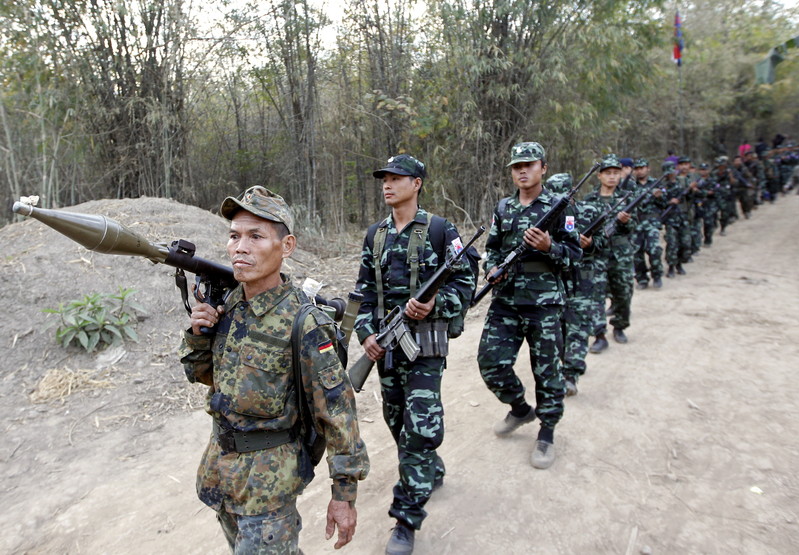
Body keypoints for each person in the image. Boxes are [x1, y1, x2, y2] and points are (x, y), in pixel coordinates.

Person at [179, 186, 369, 554]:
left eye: (256, 236)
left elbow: (338, 412)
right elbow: (207, 377)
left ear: (287, 246)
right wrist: (198, 334)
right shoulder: (230, 305)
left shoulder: (304, 322)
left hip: (268, 489)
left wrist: (344, 495)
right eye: (234, 236)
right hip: (222, 473)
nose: (240, 247)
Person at [354, 154, 474, 555]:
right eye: (384, 178)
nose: (387, 184)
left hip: (426, 347)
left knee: (419, 428)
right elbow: (363, 294)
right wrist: (366, 335)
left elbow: (466, 284)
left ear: (416, 183)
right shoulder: (375, 235)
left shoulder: (440, 230)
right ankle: (428, 467)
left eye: (396, 178)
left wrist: (437, 304)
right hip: (388, 349)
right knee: (397, 423)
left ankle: (406, 518)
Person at [476, 141, 581, 470]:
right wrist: (491, 268)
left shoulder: (560, 207)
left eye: (529, 165)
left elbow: (575, 255)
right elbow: (493, 248)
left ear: (543, 168)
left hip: (543, 302)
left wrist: (550, 246)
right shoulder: (504, 207)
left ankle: (547, 432)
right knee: (490, 362)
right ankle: (521, 409)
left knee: (547, 371)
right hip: (506, 300)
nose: (522, 171)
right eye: (517, 166)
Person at [545, 172, 603, 396]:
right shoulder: (546, 215)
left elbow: (604, 241)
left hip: (583, 277)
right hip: (555, 278)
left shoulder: (589, 211)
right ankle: (564, 362)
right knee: (558, 328)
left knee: (578, 326)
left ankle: (571, 375)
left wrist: (590, 244)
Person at [584, 154, 636, 353]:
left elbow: (634, 226)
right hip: (596, 254)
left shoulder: (627, 198)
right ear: (599, 176)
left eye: (616, 173)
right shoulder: (589, 199)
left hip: (621, 254)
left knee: (623, 293)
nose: (612, 176)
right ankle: (599, 335)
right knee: (595, 294)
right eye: (608, 173)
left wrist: (625, 221)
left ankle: (619, 326)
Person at [631, 158, 667, 290]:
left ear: (648, 169)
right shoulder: (630, 186)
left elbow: (665, 204)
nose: (639, 171)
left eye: (642, 168)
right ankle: (642, 279)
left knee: (654, 250)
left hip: (652, 223)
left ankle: (657, 276)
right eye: (637, 169)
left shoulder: (657, 184)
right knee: (637, 253)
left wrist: (660, 197)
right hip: (636, 224)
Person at [662, 161, 692, 276]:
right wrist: (669, 202)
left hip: (683, 217)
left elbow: (689, 198)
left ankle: (680, 263)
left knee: (685, 242)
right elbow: (659, 203)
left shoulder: (682, 182)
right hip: (670, 219)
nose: (671, 174)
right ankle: (671, 266)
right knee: (672, 243)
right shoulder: (663, 186)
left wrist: (691, 190)